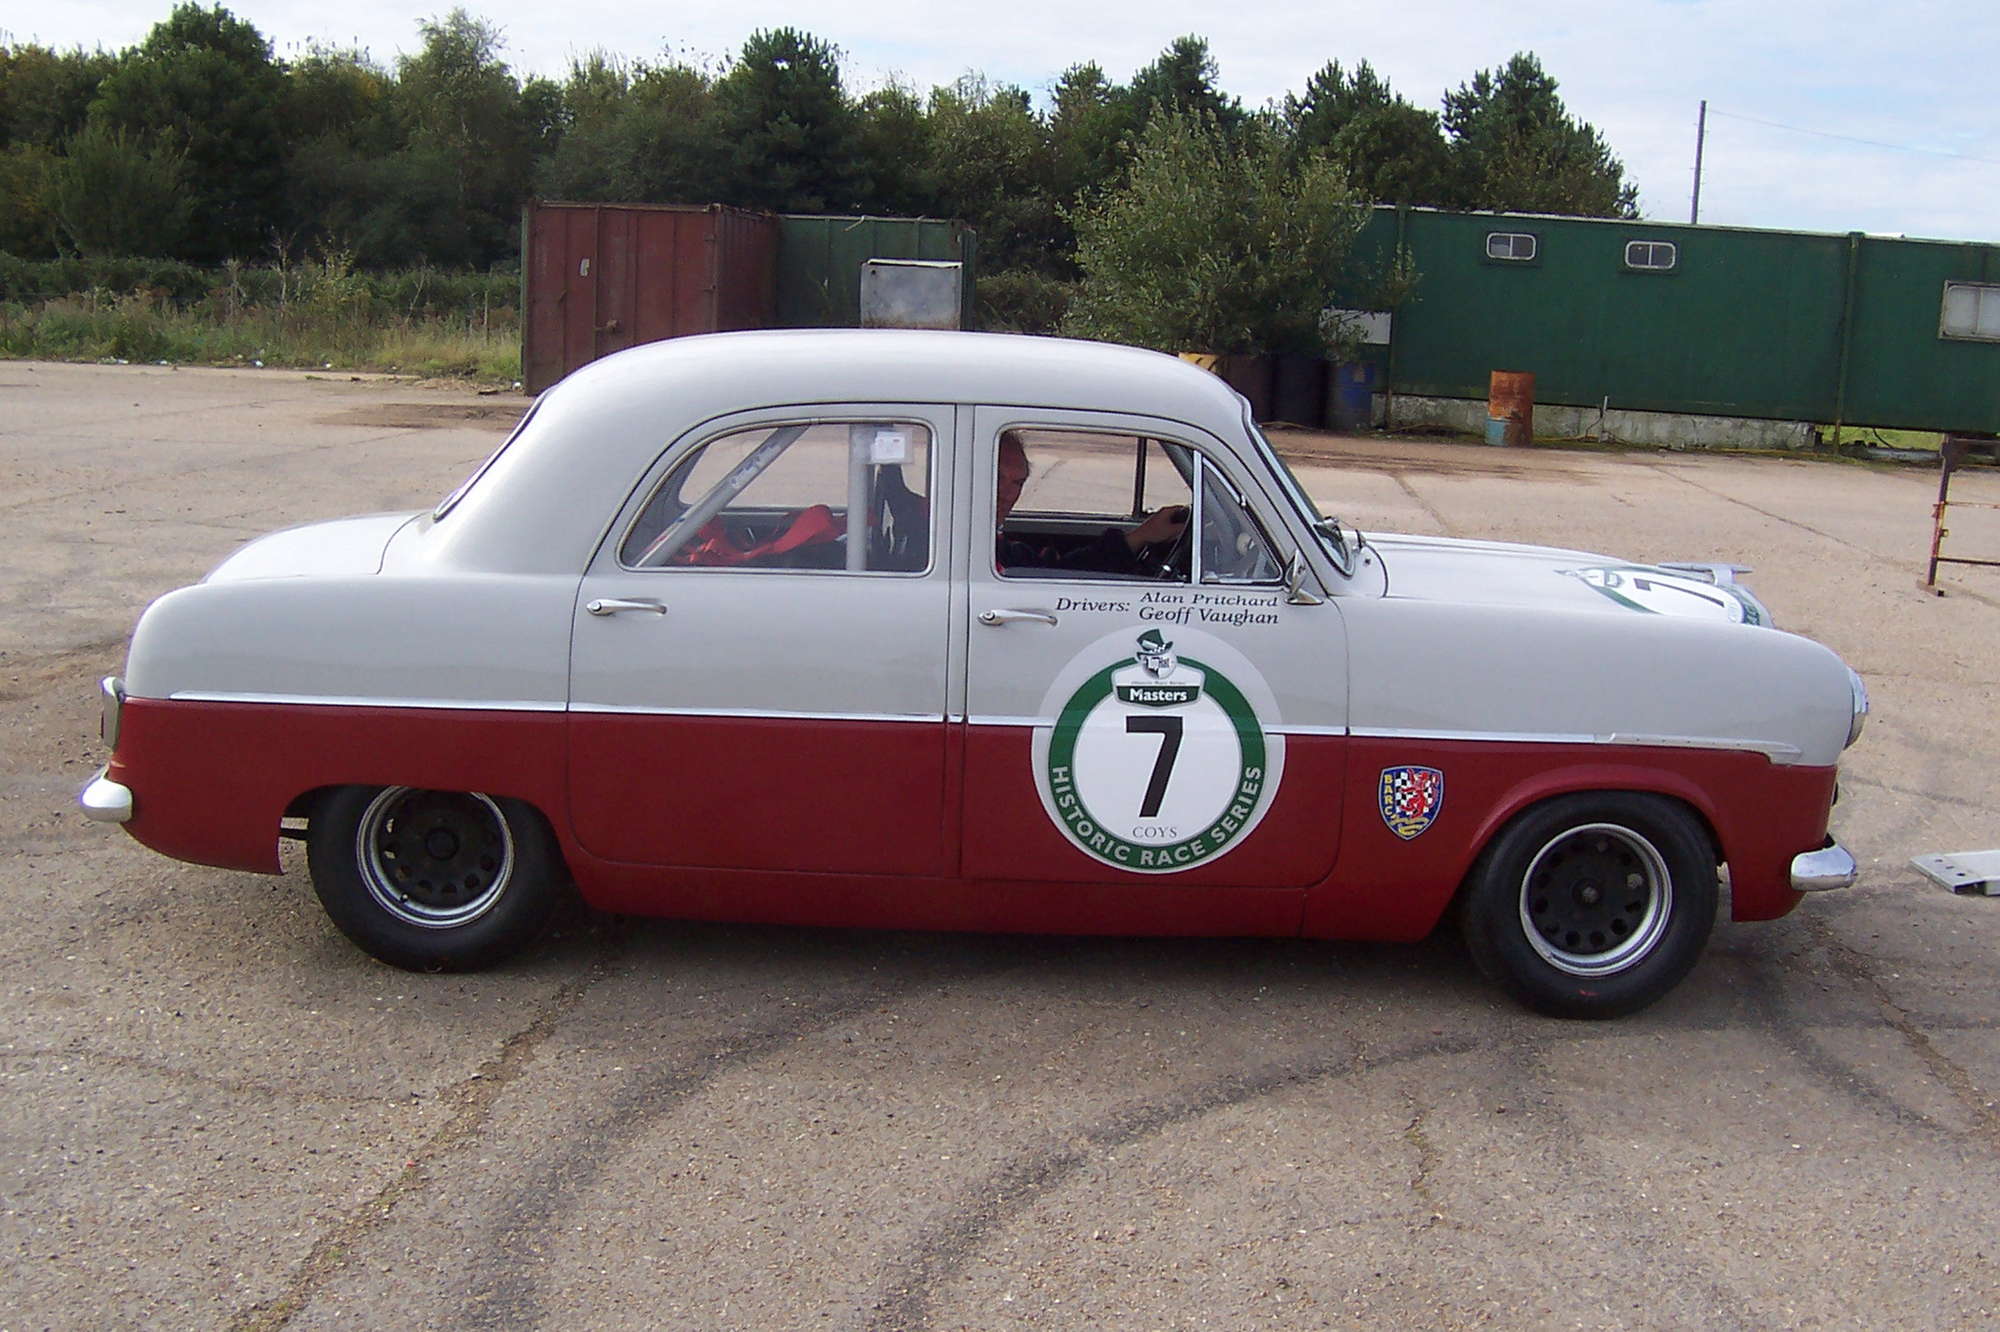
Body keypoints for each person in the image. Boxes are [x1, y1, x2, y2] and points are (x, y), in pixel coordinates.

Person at [994, 431, 1189, 576]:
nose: (1007, 494)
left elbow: (1055, 573)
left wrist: (1139, 537)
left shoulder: (997, 546)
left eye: (1018, 483)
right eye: (997, 477)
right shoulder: (975, 548)